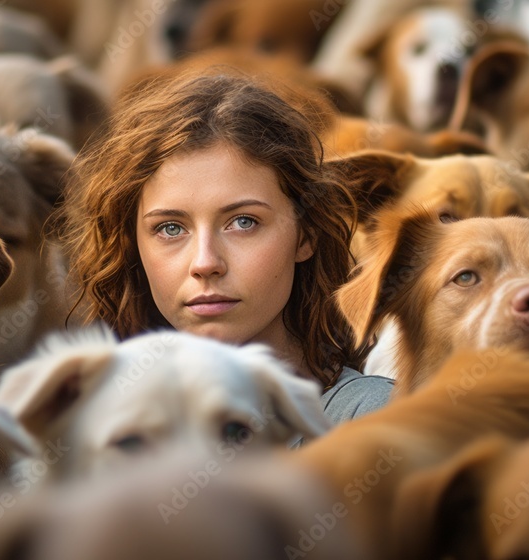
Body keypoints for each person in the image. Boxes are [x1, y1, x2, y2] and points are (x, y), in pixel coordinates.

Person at [60, 68, 393, 425]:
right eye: (171, 228)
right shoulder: (88, 427)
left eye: (243, 222)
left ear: (305, 234)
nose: (205, 262)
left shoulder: (375, 418)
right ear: (133, 246)